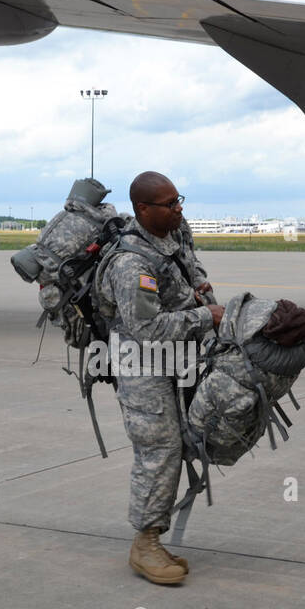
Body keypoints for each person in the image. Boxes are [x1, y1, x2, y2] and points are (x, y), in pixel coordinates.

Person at [96, 171, 222, 584]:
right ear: (142, 209)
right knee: (159, 447)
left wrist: (203, 288)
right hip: (140, 363)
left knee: (184, 439)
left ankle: (155, 538)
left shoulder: (175, 231)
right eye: (168, 204)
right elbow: (146, 330)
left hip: (179, 354)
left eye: (179, 199)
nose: (178, 209)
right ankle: (145, 544)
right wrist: (208, 316)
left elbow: (190, 262)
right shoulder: (130, 263)